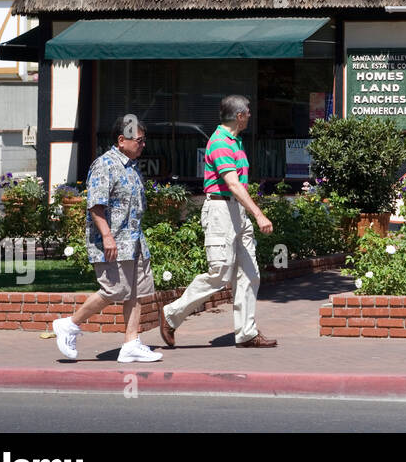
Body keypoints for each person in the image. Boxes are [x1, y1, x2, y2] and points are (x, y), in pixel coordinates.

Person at [159, 95, 276, 349]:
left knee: (250, 273)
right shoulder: (221, 143)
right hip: (221, 210)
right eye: (248, 113)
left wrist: (248, 213)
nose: (250, 117)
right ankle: (171, 314)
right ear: (239, 116)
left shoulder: (235, 142)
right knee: (220, 273)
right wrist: (259, 214)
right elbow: (233, 184)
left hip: (236, 212)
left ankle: (246, 332)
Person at [51, 114, 162, 363]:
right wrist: (107, 236)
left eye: (144, 141)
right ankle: (69, 324)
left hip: (134, 241)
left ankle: (131, 343)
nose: (143, 145)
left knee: (135, 292)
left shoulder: (131, 167)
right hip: (113, 242)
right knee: (114, 289)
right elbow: (95, 204)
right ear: (122, 140)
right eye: (140, 141)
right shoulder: (105, 165)